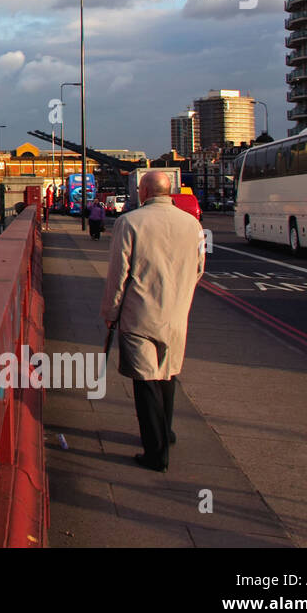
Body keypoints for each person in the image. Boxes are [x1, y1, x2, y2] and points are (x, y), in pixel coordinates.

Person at [100, 171, 205, 472]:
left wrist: (110, 313)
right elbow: (199, 268)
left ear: (144, 191)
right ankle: (166, 432)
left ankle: (155, 453)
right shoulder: (193, 224)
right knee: (167, 375)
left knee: (145, 381)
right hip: (176, 314)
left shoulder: (130, 222)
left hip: (139, 314)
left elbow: (118, 275)